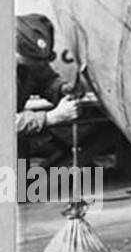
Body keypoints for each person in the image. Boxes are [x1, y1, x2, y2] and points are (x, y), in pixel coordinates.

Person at [15, 13, 81, 164]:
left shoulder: (29, 61)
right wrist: (51, 117)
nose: (35, 66)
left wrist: (63, 89)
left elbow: (45, 79)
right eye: (29, 63)